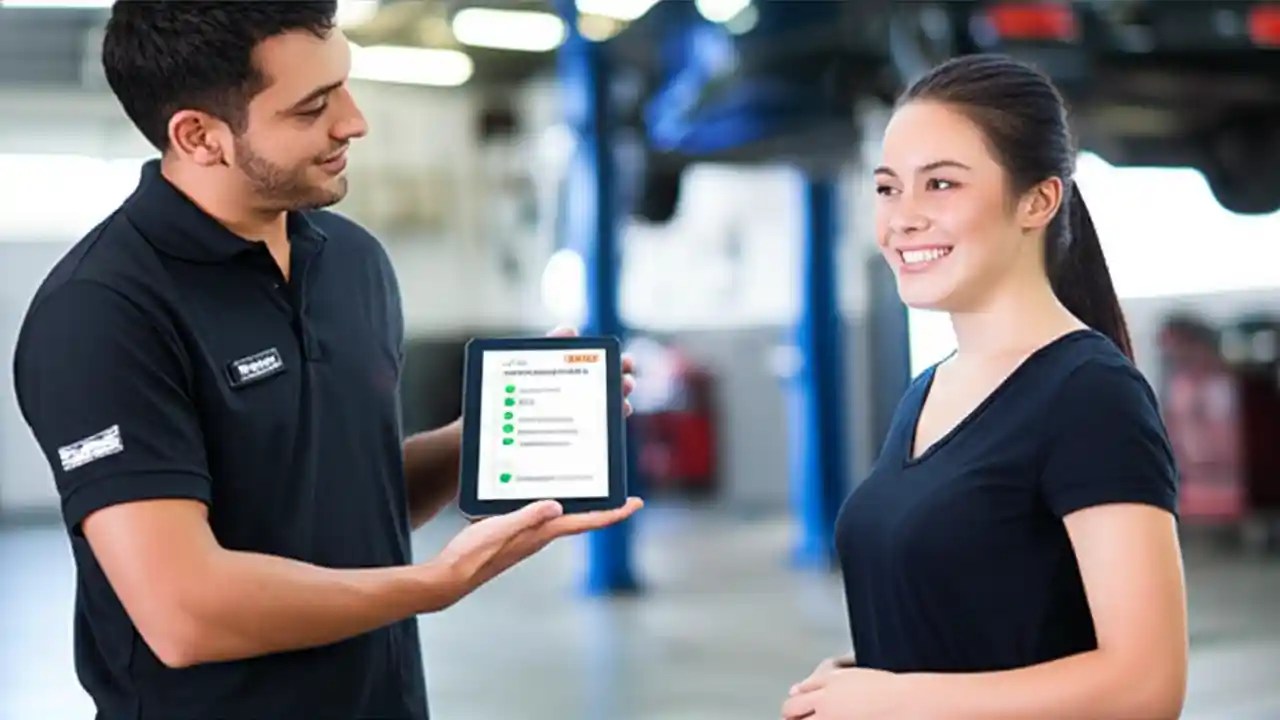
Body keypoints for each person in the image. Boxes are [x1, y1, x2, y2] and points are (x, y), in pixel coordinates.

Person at [11, 3, 640, 719]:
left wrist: (486, 440)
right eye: (312, 108)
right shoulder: (102, 310)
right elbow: (185, 613)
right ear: (199, 136)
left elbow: (344, 500)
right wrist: (437, 583)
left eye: (343, 85)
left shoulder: (352, 262)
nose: (354, 122)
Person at [782, 54, 1188, 720]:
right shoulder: (927, 392)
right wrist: (859, 678)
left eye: (940, 184)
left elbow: (1146, 685)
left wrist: (898, 699)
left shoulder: (1090, 395)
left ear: (1038, 200)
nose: (903, 217)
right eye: (887, 188)